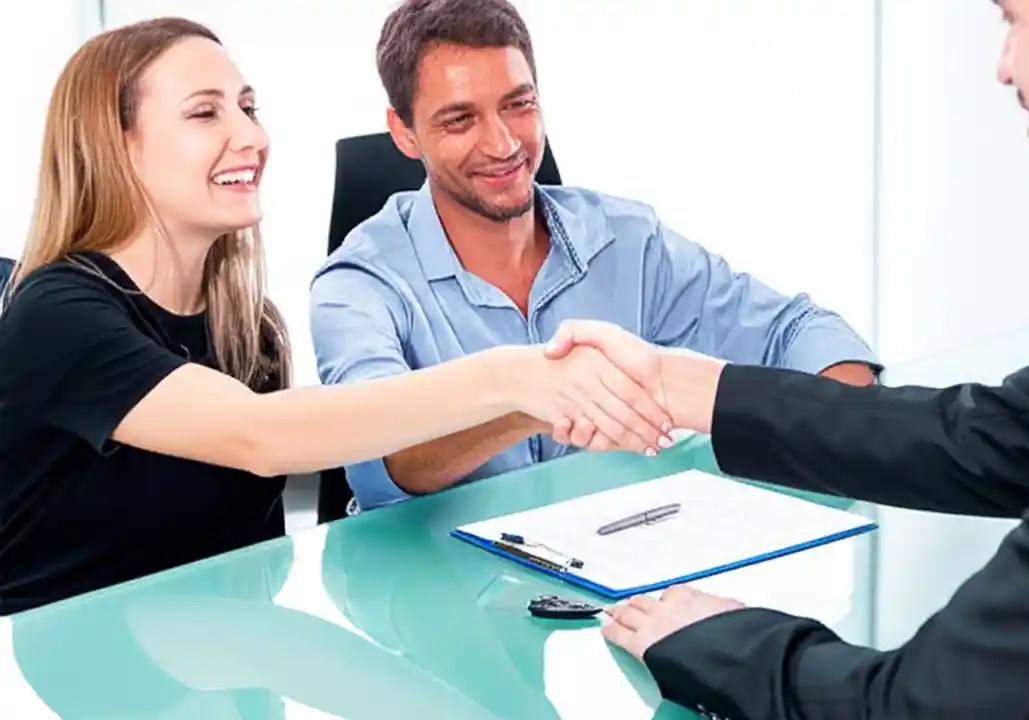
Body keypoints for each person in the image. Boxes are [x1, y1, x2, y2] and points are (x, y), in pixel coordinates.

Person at [545, 0, 1029, 716]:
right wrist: (683, 385)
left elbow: (935, 703)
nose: (1002, 68)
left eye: (1011, 21)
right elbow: (988, 435)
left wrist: (711, 640)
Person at [0, 18, 672, 616]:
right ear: (115, 147)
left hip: (225, 666)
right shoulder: (58, 315)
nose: (251, 136)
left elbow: (250, 577)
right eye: (205, 114)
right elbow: (258, 435)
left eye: (248, 107)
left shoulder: (247, 329)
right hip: (60, 672)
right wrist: (513, 380)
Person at [309, 0, 879, 512]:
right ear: (404, 133)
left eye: (518, 105)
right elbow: (379, 454)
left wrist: (858, 434)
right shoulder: (359, 284)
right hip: (434, 596)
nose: (504, 144)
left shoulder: (626, 240)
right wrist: (530, 398)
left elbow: (795, 331)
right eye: (461, 119)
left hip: (615, 575)